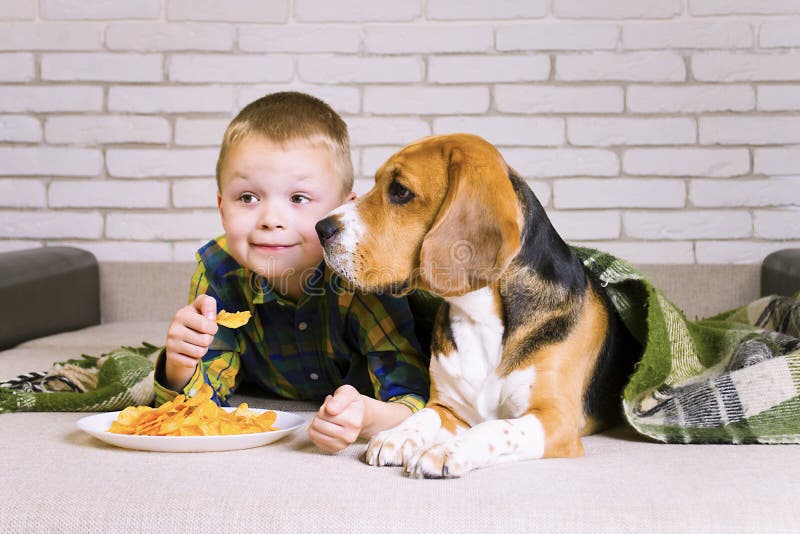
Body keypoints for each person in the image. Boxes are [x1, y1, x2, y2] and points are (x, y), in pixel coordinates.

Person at [154, 91, 432, 453]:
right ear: (222, 207)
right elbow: (198, 402)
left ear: (343, 214)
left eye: (299, 199)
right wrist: (180, 364)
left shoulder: (363, 281)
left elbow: (414, 398)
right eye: (248, 198)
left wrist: (367, 415)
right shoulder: (220, 271)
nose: (271, 220)